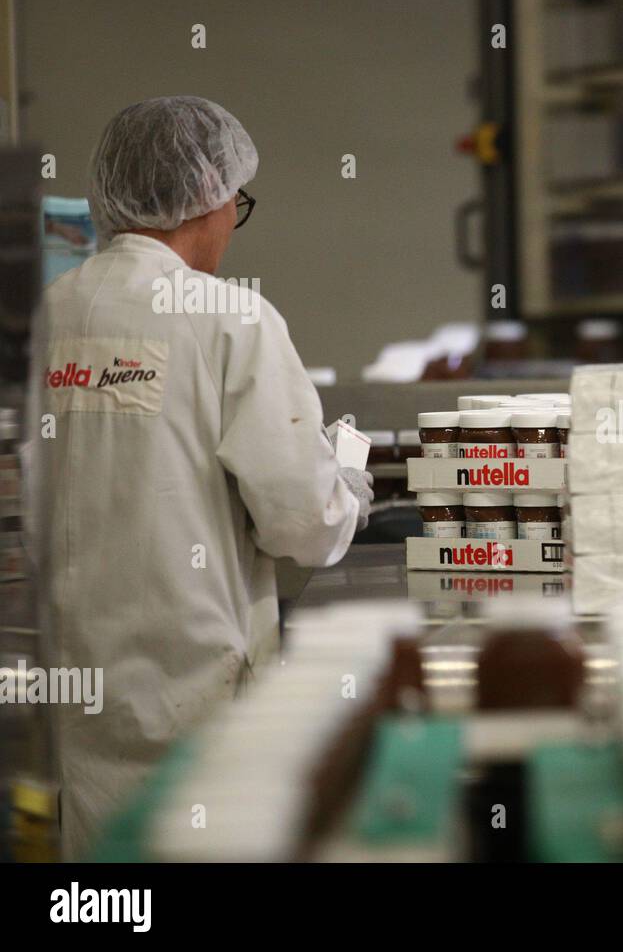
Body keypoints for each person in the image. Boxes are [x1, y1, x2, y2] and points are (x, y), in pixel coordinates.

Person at [25, 96, 374, 858]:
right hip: (202, 696)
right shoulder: (232, 318)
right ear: (210, 196)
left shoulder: (53, 313)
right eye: (235, 205)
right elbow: (302, 525)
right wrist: (346, 486)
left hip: (83, 693)